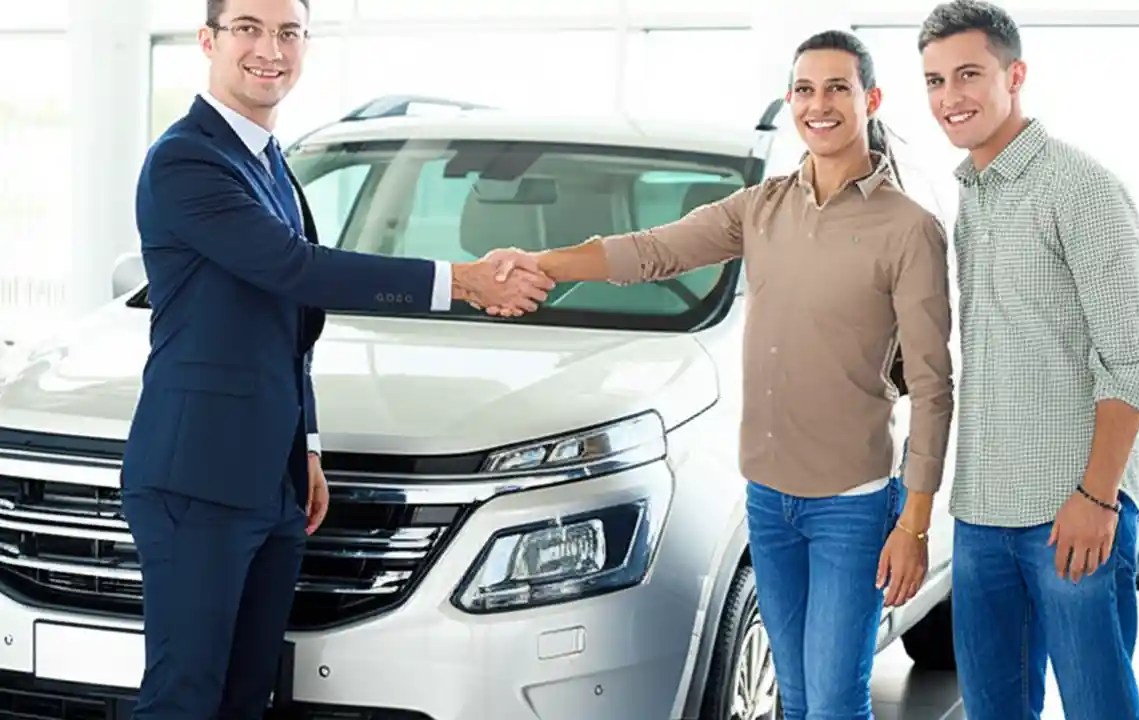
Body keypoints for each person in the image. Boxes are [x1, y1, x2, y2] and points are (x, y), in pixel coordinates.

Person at [486, 29, 954, 720]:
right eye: (803, 89)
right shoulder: (761, 208)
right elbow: (652, 252)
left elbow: (936, 386)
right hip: (767, 497)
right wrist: (539, 263)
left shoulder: (908, 228)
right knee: (794, 697)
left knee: (832, 701)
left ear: (871, 99)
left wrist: (913, 524)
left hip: (853, 505)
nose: (817, 104)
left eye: (836, 88)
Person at [119, 1, 552, 717]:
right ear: (207, 41)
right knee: (183, 696)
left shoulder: (268, 159)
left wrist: (307, 445)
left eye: (289, 32)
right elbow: (298, 269)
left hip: (272, 480)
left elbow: (287, 321)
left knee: (245, 695)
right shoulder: (186, 158)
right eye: (249, 29)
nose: (272, 49)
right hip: (196, 478)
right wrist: (460, 281)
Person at [916, 2, 1139, 718]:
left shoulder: (1080, 188)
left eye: (968, 75)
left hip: (1071, 510)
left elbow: (1133, 363)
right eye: (934, 81)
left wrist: (1097, 498)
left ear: (1014, 75)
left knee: (1097, 707)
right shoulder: (972, 197)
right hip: (982, 513)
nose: (949, 98)